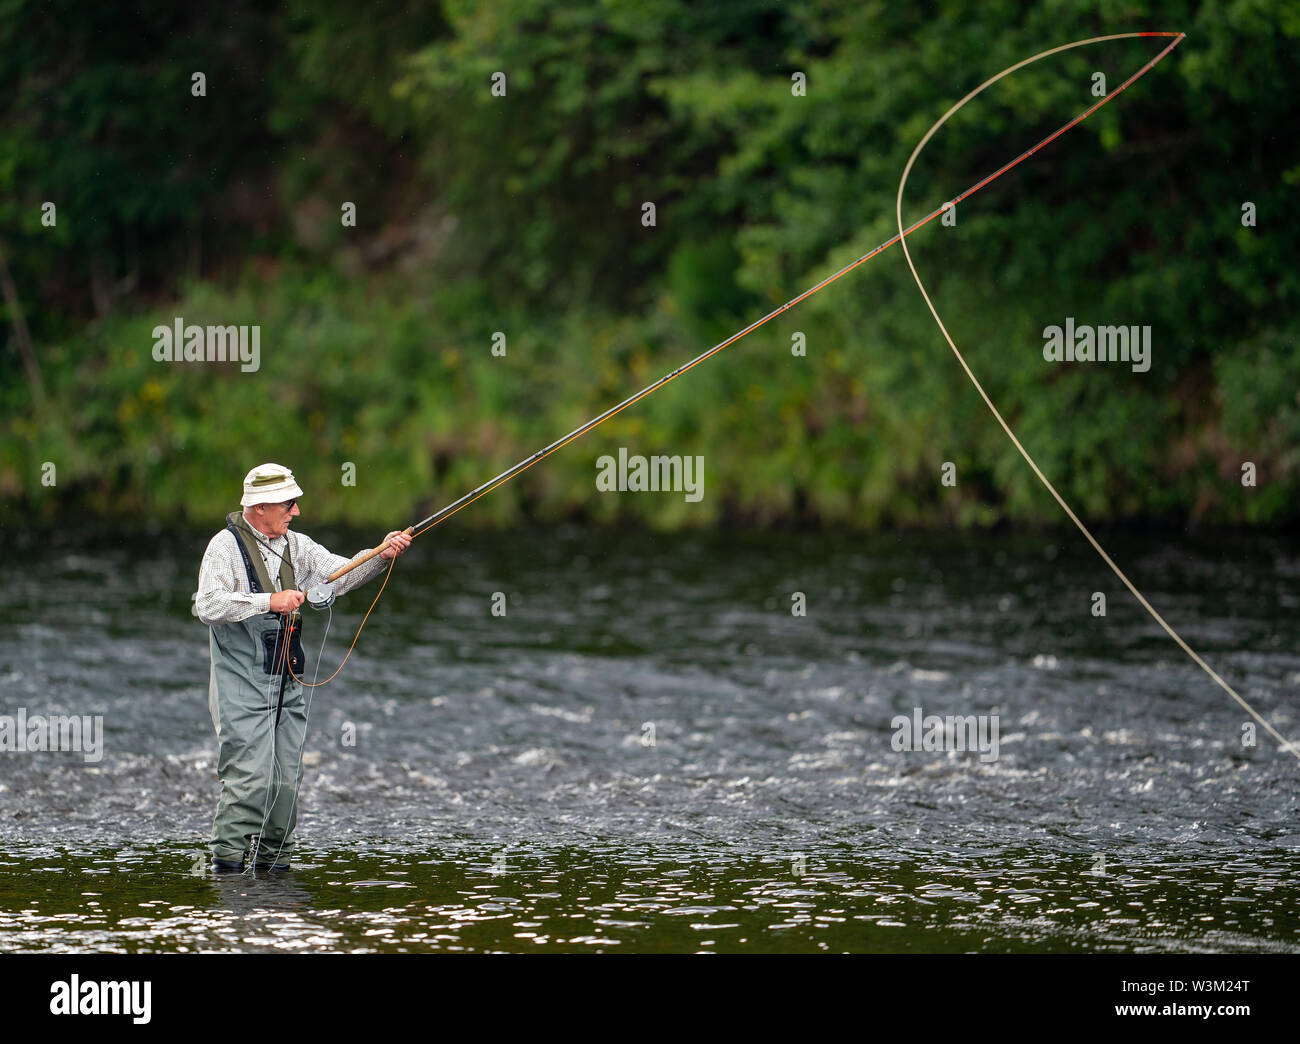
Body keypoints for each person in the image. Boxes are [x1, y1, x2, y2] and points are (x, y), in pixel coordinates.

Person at [194, 463, 411, 872]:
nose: (296, 511)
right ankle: (225, 873)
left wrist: (380, 555)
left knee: (287, 785)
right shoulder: (223, 548)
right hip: (240, 684)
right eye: (289, 504)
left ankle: (275, 873)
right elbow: (207, 605)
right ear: (260, 507)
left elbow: (339, 575)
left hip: (287, 680)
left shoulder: (299, 545)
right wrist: (268, 602)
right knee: (250, 782)